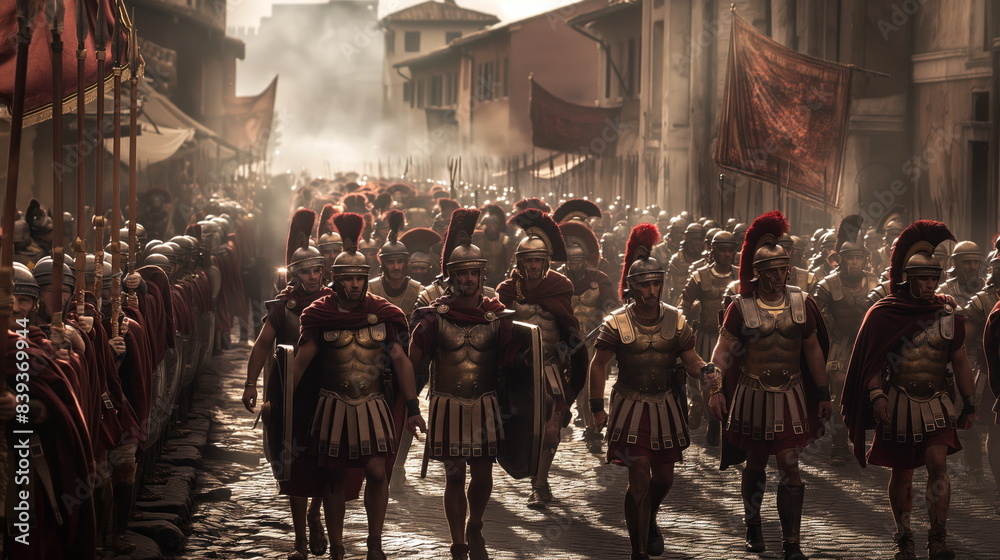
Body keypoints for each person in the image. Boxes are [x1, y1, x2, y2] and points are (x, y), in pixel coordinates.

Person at [290, 212, 426, 560]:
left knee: (378, 471)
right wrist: (282, 404)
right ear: (337, 280)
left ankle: (375, 544)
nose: (354, 285)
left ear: (367, 279)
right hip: (331, 403)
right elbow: (301, 362)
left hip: (373, 403)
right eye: (348, 279)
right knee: (333, 478)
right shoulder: (320, 316)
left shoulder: (384, 314)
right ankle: (337, 548)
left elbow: (401, 361)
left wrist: (412, 408)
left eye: (359, 278)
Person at [843, 220, 976, 560]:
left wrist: (970, 402)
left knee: (937, 464)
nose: (930, 285)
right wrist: (876, 394)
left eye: (934, 278)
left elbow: (960, 362)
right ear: (909, 279)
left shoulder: (948, 315)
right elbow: (870, 363)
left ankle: (938, 536)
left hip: (936, 401)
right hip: (898, 401)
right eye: (923, 279)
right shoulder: (886, 313)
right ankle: (904, 536)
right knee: (901, 471)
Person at [708, 210, 832, 560]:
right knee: (757, 463)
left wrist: (823, 394)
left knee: (790, 463)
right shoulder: (740, 307)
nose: (781, 276)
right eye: (774, 271)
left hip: (790, 393)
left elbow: (812, 350)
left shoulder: (801, 302)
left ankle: (791, 542)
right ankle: (753, 524)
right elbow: (722, 353)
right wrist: (716, 390)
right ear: (760, 273)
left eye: (784, 269)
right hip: (752, 394)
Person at [590, 223, 715, 560]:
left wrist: (705, 370)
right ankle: (638, 551)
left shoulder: (676, 320)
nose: (652, 290)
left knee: (664, 478)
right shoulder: (616, 322)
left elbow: (690, 358)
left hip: (665, 405)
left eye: (656, 283)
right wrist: (596, 406)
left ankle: (649, 519)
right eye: (645, 284)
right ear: (632, 288)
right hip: (630, 404)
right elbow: (598, 364)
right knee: (640, 476)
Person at [409, 208, 517, 560]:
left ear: (482, 274)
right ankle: (458, 542)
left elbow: (511, 366)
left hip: (484, 403)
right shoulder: (434, 317)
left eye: (474, 273)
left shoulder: (497, 316)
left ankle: (477, 522)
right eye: (463, 274)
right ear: (452, 277)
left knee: (483, 474)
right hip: (447, 403)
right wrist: (410, 406)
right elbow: (412, 361)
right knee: (454, 475)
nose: (469, 279)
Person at [242, 209, 332, 559]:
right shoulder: (283, 308)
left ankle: (315, 515)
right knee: (293, 468)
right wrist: (251, 383)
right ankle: (299, 542)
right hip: (291, 396)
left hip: (328, 394)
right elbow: (263, 344)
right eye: (306, 271)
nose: (312, 276)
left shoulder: (335, 304)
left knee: (326, 461)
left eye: (317, 270)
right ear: (295, 274)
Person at [497, 208, 587, 509]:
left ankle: (540, 483)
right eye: (528, 260)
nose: (533, 266)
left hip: (550, 369)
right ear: (519, 262)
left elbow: (569, 329)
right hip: (517, 371)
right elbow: (501, 333)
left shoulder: (558, 287)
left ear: (546, 262)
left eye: (538, 260)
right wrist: (513, 359)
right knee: (515, 427)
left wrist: (568, 350)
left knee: (551, 428)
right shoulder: (508, 291)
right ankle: (520, 469)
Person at [811, 215, 878, 465]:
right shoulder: (827, 285)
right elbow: (816, 318)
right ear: (841, 260)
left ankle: (868, 442)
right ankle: (838, 445)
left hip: (866, 343)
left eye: (859, 258)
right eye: (851, 257)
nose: (855, 262)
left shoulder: (874, 282)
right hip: (838, 345)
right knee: (839, 392)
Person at [679, 230, 737, 445]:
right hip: (706, 335)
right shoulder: (700, 276)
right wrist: (681, 321)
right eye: (722, 250)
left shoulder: (740, 276)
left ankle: (729, 422)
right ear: (713, 251)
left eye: (730, 250)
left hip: (732, 339)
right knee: (708, 381)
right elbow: (684, 303)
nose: (727, 254)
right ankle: (712, 421)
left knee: (732, 380)